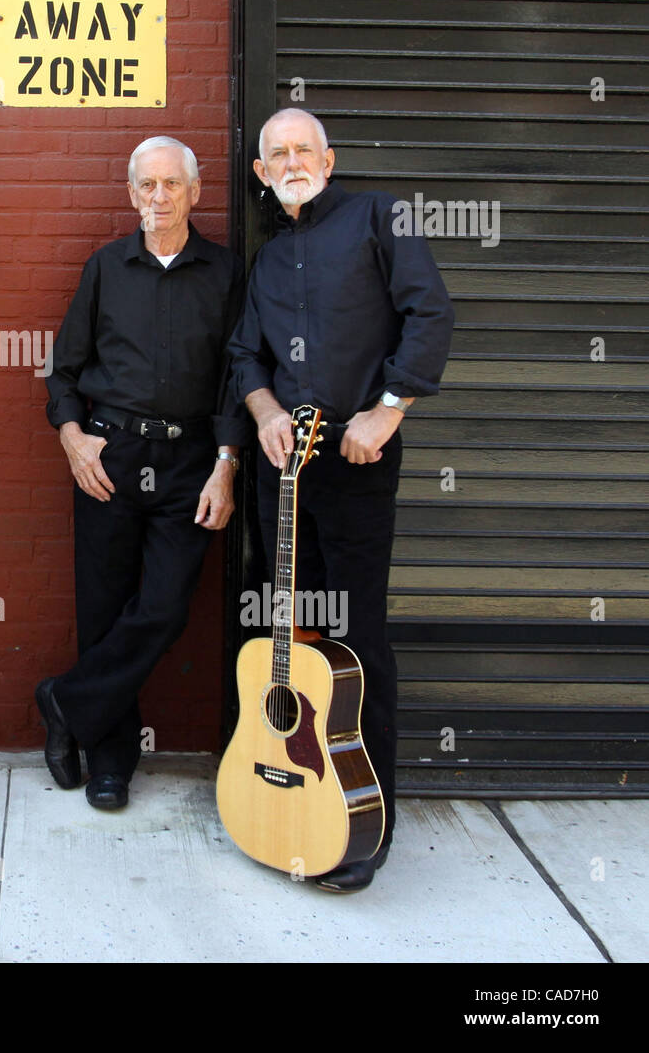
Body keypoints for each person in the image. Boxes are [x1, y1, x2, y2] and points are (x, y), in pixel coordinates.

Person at [226, 106, 454, 889]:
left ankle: (366, 816)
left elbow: (430, 313)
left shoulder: (376, 216)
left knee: (356, 637)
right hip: (279, 471)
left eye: (303, 148)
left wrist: (387, 410)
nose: (291, 160)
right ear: (261, 172)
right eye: (276, 153)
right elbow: (244, 355)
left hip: (355, 465)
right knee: (288, 630)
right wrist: (261, 414)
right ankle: (292, 791)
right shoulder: (266, 259)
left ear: (328, 157)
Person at [39, 136, 247, 811]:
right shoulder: (105, 268)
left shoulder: (225, 273)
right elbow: (64, 371)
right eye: (146, 186)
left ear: (195, 191)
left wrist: (225, 465)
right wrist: (75, 442)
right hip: (112, 457)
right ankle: (111, 762)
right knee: (103, 611)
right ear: (132, 194)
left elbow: (236, 379)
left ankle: (65, 700)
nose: (158, 197)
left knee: (162, 608)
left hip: (191, 464)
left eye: (170, 185)